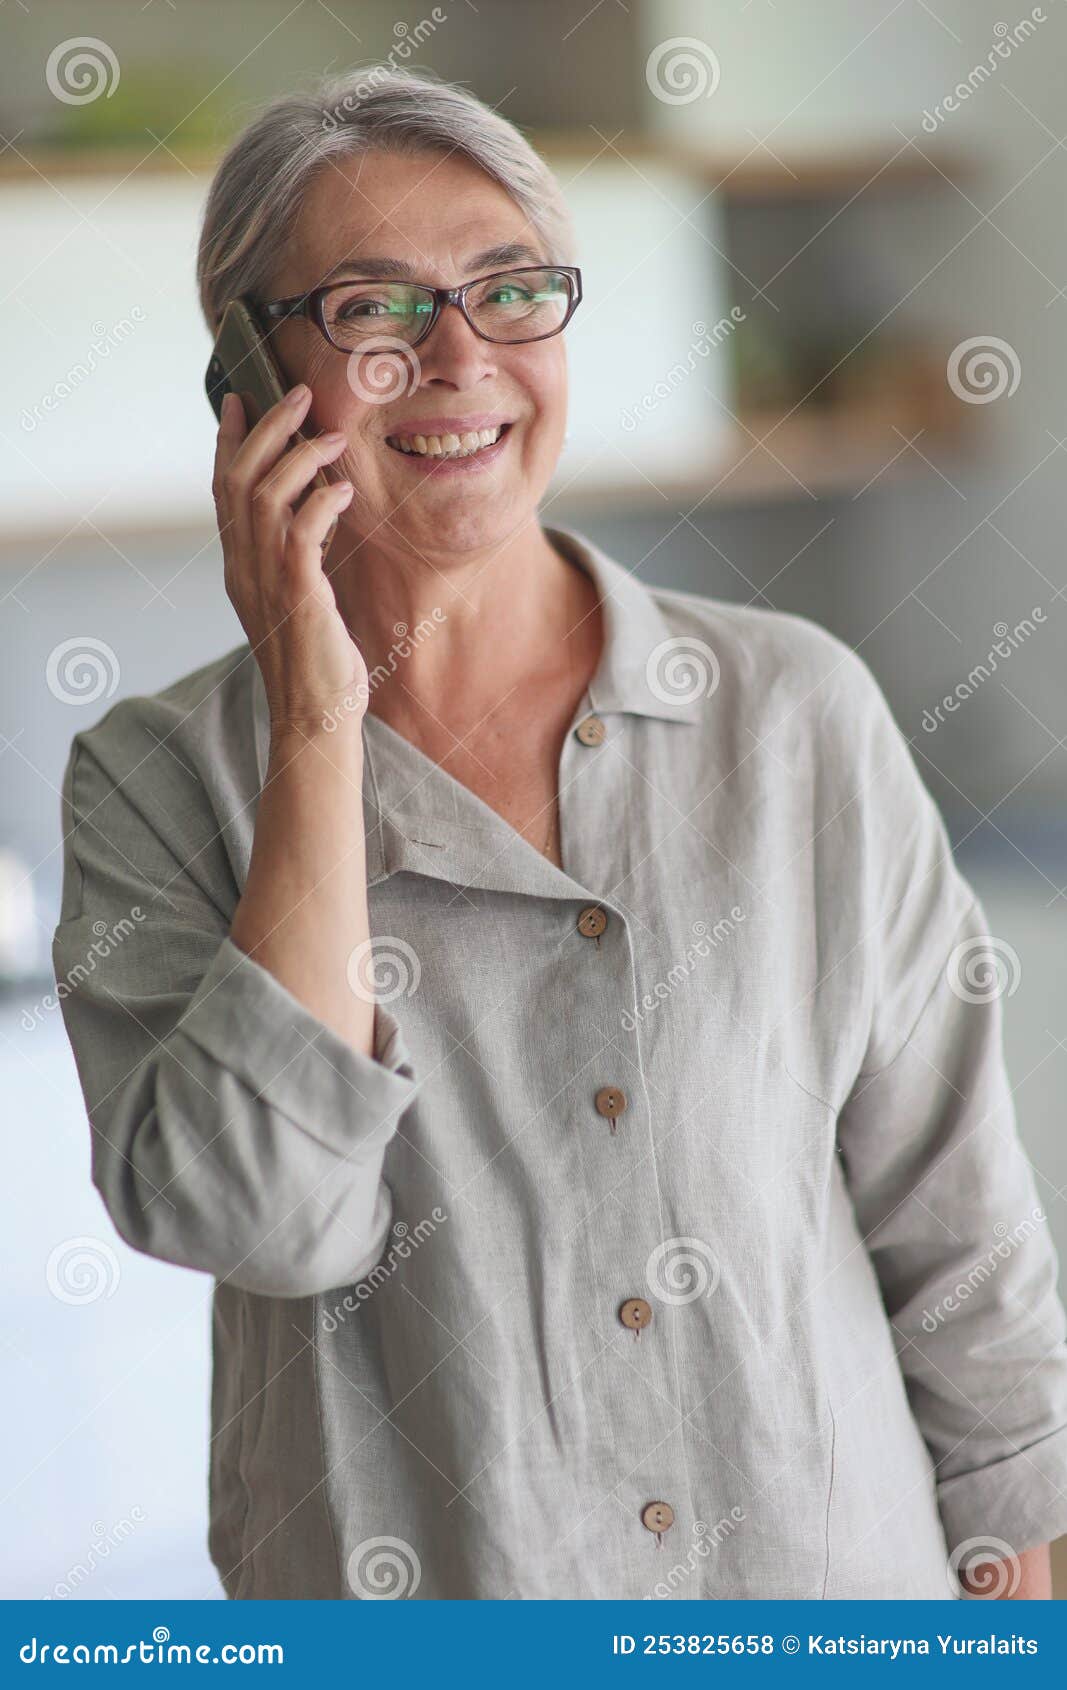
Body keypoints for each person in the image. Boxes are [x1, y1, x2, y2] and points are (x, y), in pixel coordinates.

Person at [53, 65, 1067, 1601]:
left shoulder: (795, 716)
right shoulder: (153, 783)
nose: (461, 357)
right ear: (248, 383)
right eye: (375, 310)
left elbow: (962, 1245)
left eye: (508, 288)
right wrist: (317, 726)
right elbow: (260, 1214)